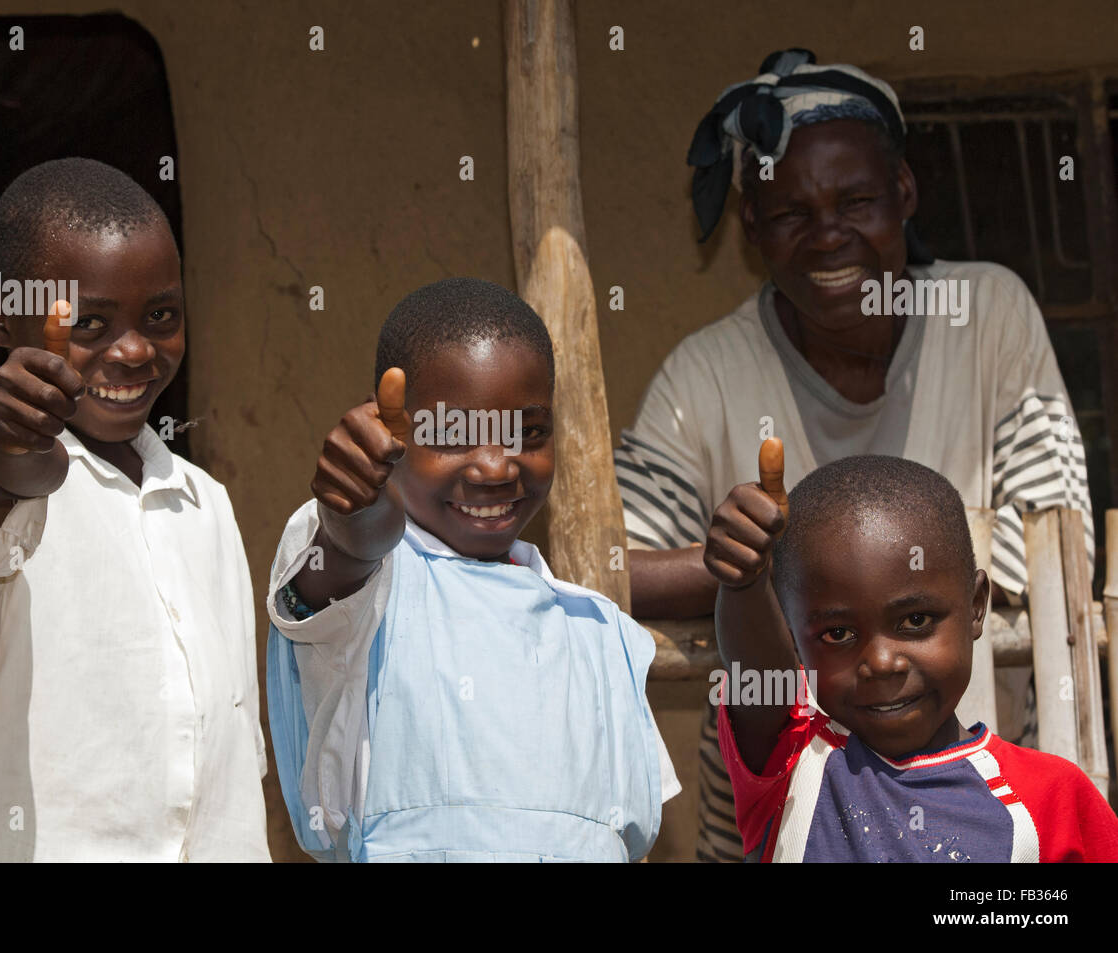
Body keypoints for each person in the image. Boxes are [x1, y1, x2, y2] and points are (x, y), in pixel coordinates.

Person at [615, 48, 1090, 861]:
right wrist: (751, 570)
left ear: (903, 193)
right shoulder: (707, 372)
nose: (828, 234)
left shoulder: (988, 316)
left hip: (990, 800)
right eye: (791, 213)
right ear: (752, 229)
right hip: (790, 805)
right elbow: (607, 567)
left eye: (856, 199)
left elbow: (1056, 542)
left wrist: (795, 581)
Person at [0, 158, 269, 861]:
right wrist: (13, 440)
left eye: (160, 316)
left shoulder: (207, 506)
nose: (134, 349)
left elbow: (229, 766)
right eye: (89, 322)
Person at [266, 277, 680, 862]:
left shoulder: (600, 634)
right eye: (454, 434)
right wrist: (354, 510)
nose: (495, 466)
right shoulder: (376, 586)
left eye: (527, 432)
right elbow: (347, 556)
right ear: (391, 433)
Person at [706, 444, 1118, 861]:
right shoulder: (792, 759)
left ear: (976, 606)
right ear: (794, 638)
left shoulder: (1052, 797)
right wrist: (743, 584)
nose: (883, 663)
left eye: (916, 622)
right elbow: (755, 675)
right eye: (838, 633)